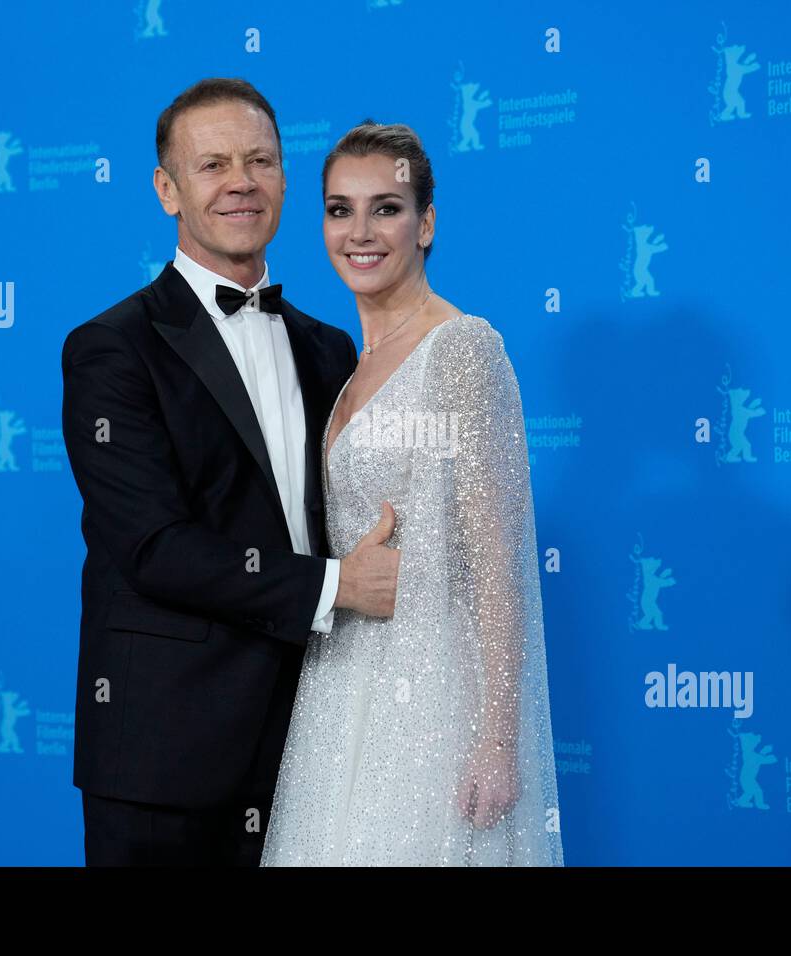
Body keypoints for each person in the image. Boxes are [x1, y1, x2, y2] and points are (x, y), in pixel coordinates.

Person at [60, 78, 401, 866]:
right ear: (167, 190)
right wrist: (337, 587)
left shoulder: (328, 350)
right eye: (213, 164)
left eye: (260, 161)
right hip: (164, 753)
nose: (241, 181)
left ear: (286, 180)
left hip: (311, 741)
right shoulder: (112, 349)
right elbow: (152, 545)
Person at [259, 121, 564, 865]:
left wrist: (496, 738)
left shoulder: (462, 350)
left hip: (433, 705)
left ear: (426, 223)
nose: (360, 231)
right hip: (338, 691)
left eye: (386, 208)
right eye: (339, 209)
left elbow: (498, 564)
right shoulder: (347, 365)